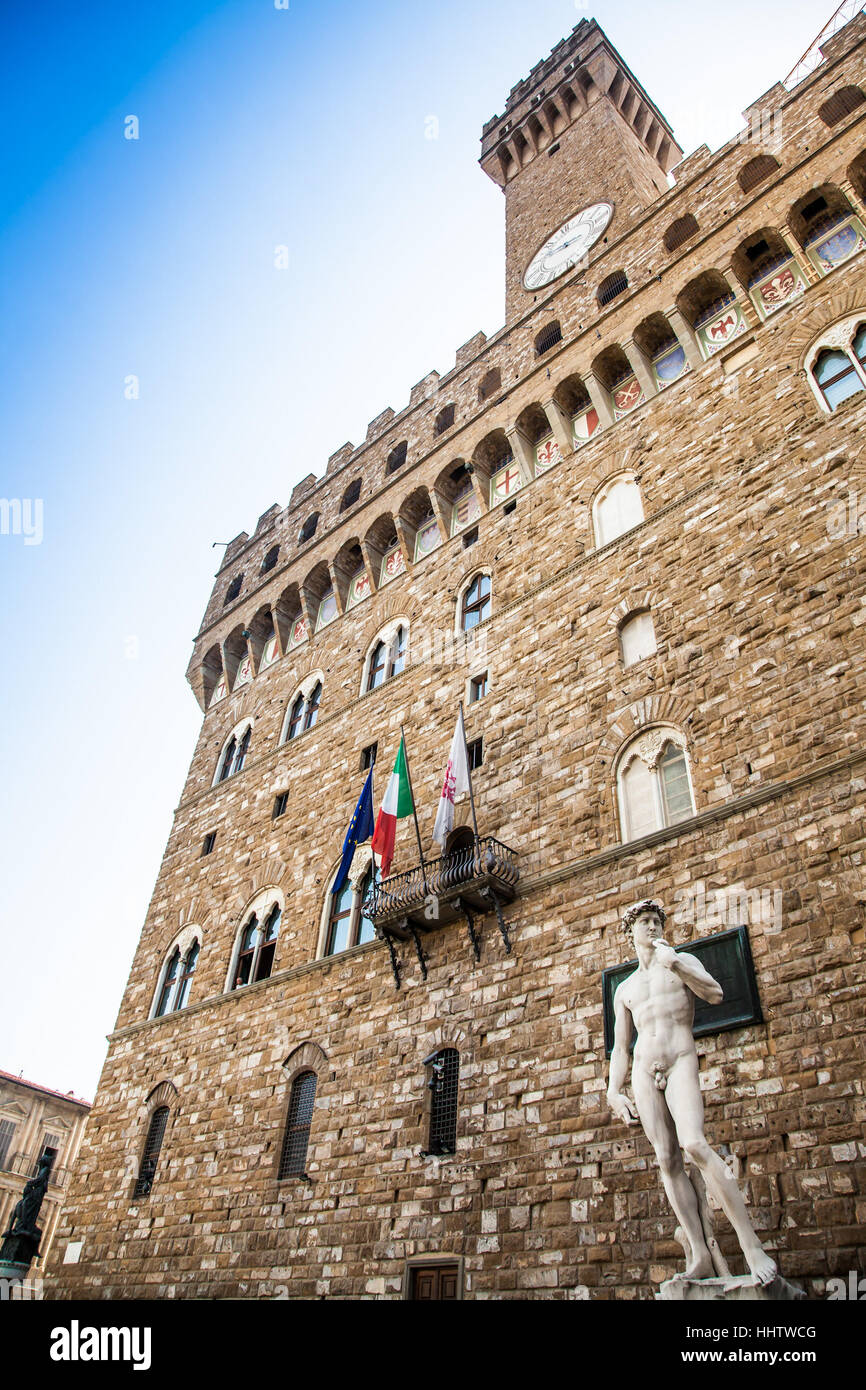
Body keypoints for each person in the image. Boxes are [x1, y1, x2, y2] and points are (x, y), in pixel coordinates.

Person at [607, 899, 777, 1284]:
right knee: (667, 1160)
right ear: (631, 932)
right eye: (644, 922)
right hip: (642, 1069)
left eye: (656, 921)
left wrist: (677, 964)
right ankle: (700, 1254)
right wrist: (613, 1090)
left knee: (695, 1145)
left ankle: (751, 1246)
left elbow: (715, 994)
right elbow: (620, 1046)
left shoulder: (681, 963)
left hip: (680, 1058)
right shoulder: (626, 988)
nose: (652, 927)